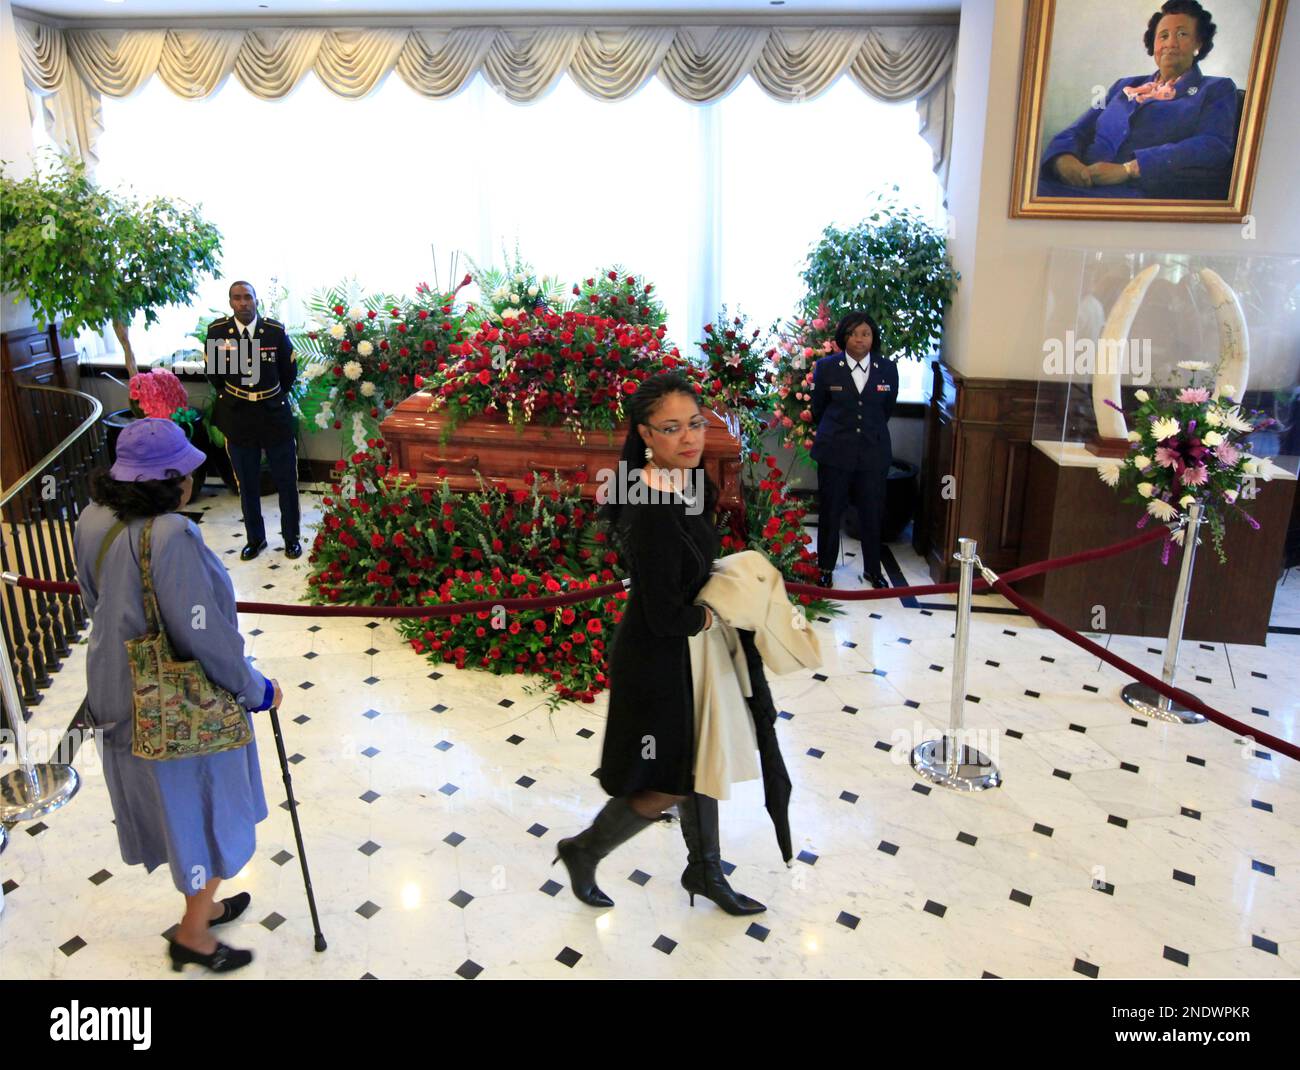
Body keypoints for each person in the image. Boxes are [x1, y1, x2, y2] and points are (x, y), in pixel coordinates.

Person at [73, 418, 283, 974]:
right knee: (205, 805)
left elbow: (96, 597)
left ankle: (204, 903)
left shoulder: (92, 518)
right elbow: (201, 632)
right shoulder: (170, 535)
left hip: (114, 686)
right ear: (172, 479)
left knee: (164, 804)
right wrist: (255, 687)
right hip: (171, 700)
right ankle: (193, 933)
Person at [553, 371, 765, 916]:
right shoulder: (648, 504)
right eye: (672, 429)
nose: (690, 438)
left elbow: (693, 570)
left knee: (702, 762)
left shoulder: (690, 481)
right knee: (668, 783)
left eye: (695, 424)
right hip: (658, 660)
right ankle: (584, 850)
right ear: (646, 434)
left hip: (693, 653)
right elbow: (666, 613)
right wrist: (714, 615)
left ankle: (705, 870)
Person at [1037, 1, 1238, 200]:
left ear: (1198, 44)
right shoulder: (1124, 85)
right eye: (1163, 36)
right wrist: (1062, 159)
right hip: (1077, 184)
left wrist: (1129, 169)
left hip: (1135, 194)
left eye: (1182, 34)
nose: (1170, 43)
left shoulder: (1217, 89)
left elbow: (1214, 144)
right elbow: (1079, 129)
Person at [205, 280, 301, 560]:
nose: (243, 303)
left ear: (256, 300)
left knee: (286, 481)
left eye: (248, 297)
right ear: (230, 302)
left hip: (273, 414)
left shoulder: (273, 331)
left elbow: (288, 372)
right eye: (237, 298)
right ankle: (255, 539)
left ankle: (291, 538)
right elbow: (215, 375)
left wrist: (270, 396)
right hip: (237, 416)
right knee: (246, 484)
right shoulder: (218, 333)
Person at [810, 311, 897, 589]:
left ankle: (873, 570)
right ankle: (825, 568)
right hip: (835, 451)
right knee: (830, 511)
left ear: (873, 338)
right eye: (854, 334)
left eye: (866, 334)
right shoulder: (826, 368)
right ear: (843, 338)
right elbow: (818, 410)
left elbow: (886, 409)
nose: (860, 339)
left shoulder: (887, 368)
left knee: (872, 513)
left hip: (873, 453)